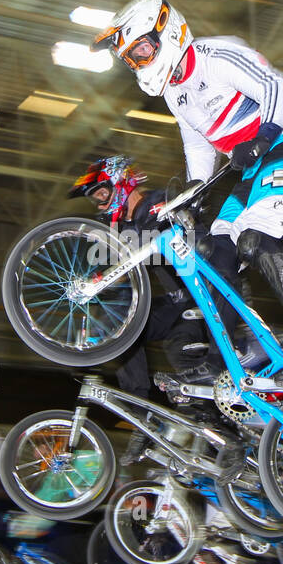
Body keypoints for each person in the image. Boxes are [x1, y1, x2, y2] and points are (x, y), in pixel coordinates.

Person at [90, 0, 283, 372]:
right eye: (133, 57)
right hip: (253, 168)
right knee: (216, 252)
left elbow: (278, 87)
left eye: (143, 49)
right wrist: (193, 191)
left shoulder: (215, 56)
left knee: (255, 240)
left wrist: (263, 136)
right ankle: (222, 360)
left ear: (169, 30)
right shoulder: (176, 94)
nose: (140, 61)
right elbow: (198, 143)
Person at [67, 155, 216, 392]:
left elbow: (158, 241)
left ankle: (205, 412)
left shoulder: (157, 202)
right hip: (177, 303)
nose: (100, 204)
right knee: (120, 323)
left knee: (183, 356)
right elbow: (123, 271)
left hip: (204, 297)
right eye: (95, 200)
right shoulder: (124, 227)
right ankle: (138, 409)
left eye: (102, 194)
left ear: (120, 182)